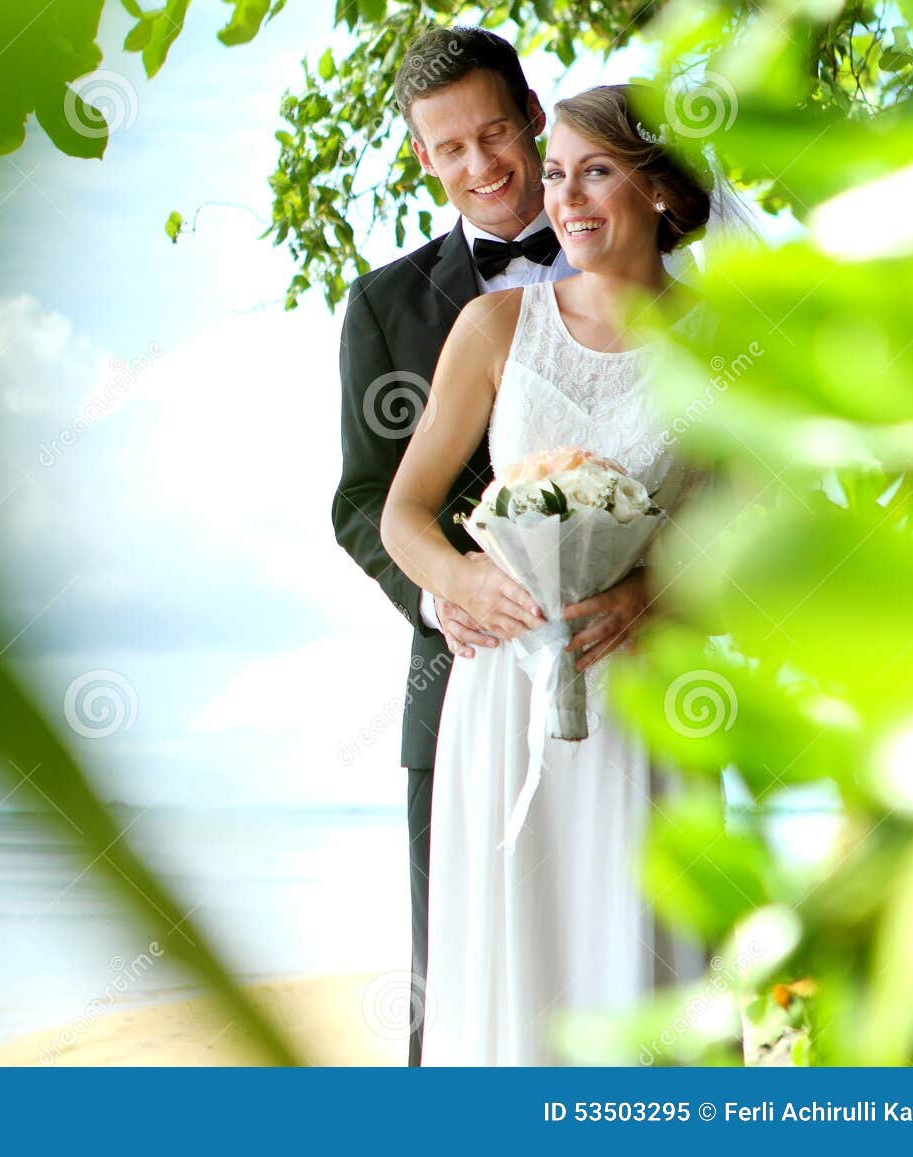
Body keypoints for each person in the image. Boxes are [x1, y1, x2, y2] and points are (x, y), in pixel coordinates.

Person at [379, 83, 713, 1064]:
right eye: (556, 173)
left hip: (650, 693)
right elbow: (401, 512)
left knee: (643, 952)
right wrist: (462, 581)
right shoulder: (494, 327)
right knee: (511, 978)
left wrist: (653, 592)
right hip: (506, 692)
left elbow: (761, 534)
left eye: (595, 171)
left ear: (658, 188)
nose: (563, 197)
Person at [331, 25, 578, 1067]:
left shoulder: (647, 270)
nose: (481, 166)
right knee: (458, 995)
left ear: (533, 115)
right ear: (421, 157)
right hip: (460, 685)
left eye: (495, 133)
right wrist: (449, 594)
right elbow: (364, 502)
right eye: (450, 148)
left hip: (635, 674)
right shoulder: (385, 305)